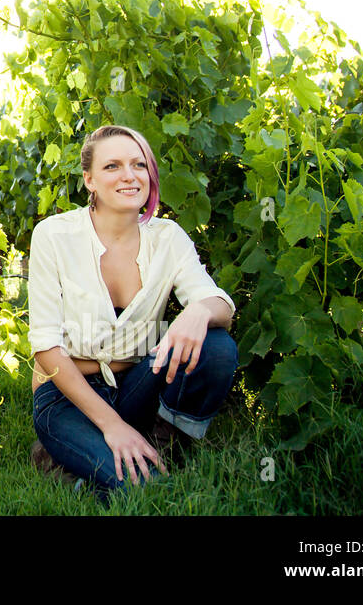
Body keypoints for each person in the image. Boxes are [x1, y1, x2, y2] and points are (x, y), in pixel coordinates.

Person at [28, 124, 238, 499]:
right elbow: (46, 347)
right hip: (66, 392)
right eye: (113, 167)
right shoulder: (54, 235)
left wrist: (198, 312)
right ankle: (68, 455)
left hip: (136, 382)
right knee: (137, 489)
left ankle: (166, 445)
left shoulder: (167, 237)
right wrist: (111, 425)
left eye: (139, 164)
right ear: (89, 179)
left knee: (217, 346)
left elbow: (220, 304)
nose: (130, 175)